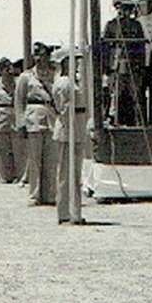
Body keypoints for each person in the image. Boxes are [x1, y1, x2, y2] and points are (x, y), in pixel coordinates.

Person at [14, 42, 59, 205]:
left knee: (51, 160)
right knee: (34, 160)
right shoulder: (26, 76)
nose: (39, 58)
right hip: (33, 119)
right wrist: (20, 123)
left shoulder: (55, 75)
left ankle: (50, 195)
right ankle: (34, 195)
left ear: (48, 56)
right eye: (36, 55)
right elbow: (19, 101)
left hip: (51, 118)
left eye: (42, 54)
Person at [51, 46, 85, 224]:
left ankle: (74, 210)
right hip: (68, 130)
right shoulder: (64, 82)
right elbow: (63, 108)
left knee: (75, 173)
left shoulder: (72, 81)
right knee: (66, 173)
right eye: (74, 60)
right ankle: (64, 211)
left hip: (76, 127)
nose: (77, 64)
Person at [101, 0, 143, 125]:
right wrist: (105, 66)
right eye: (121, 7)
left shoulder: (136, 25)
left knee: (134, 94)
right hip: (116, 64)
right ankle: (112, 119)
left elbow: (141, 46)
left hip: (133, 64)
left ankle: (135, 121)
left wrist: (140, 64)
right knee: (114, 94)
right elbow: (105, 47)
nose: (124, 11)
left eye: (127, 8)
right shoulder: (111, 25)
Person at [0, 59, 20, 183]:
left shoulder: (17, 84)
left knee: (16, 147)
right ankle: (4, 175)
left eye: (10, 68)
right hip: (0, 115)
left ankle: (16, 175)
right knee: (1, 148)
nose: (9, 71)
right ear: (1, 70)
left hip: (14, 114)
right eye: (6, 69)